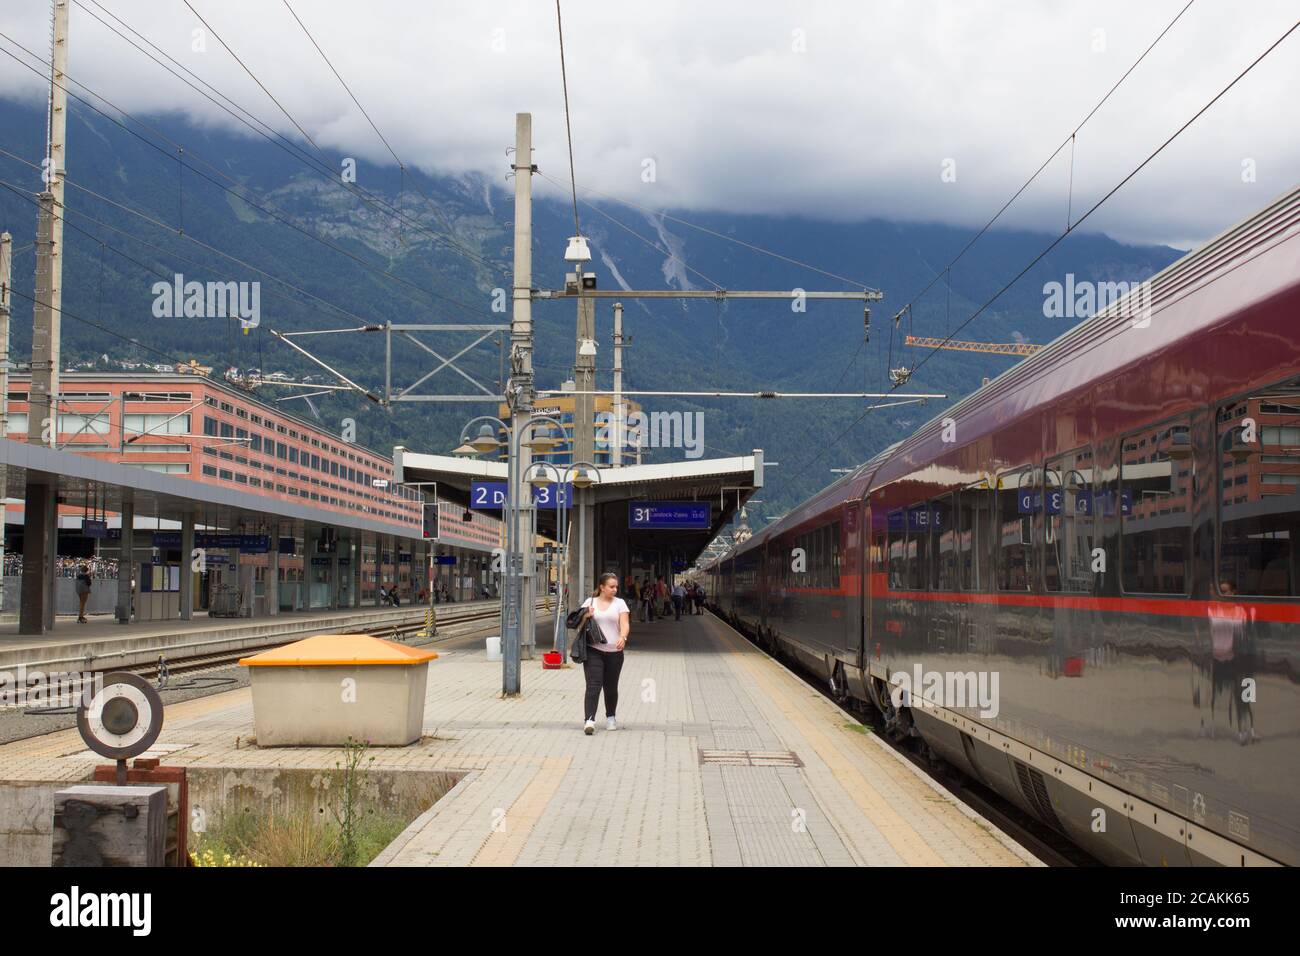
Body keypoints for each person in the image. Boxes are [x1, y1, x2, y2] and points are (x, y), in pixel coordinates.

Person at [578, 572, 630, 735]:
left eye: (616, 587)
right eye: (611, 587)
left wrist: (623, 636)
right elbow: (577, 623)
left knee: (611, 687)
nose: (615, 589)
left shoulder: (620, 603)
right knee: (593, 685)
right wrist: (586, 615)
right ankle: (589, 720)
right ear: (602, 587)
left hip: (614, 652)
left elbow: (625, 623)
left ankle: (611, 717)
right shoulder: (589, 602)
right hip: (594, 650)